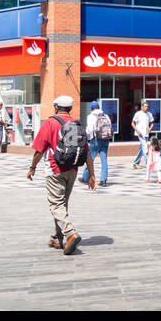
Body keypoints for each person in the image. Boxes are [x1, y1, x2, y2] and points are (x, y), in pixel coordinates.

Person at [27, 95, 96, 255]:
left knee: (56, 205)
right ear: (70, 109)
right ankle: (57, 238)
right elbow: (87, 152)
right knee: (62, 205)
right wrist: (91, 174)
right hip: (72, 169)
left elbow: (39, 149)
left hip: (54, 169)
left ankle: (71, 233)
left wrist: (32, 168)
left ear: (56, 107)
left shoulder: (50, 123)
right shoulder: (76, 124)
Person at [85, 100, 111, 186]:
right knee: (104, 159)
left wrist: (86, 132)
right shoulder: (106, 115)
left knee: (90, 158)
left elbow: (90, 129)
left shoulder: (91, 116)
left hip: (96, 139)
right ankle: (103, 180)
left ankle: (85, 177)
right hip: (106, 139)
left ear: (91, 108)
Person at [131, 100, 152, 169]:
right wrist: (137, 131)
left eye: (147, 106)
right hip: (140, 133)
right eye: (145, 106)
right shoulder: (138, 114)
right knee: (145, 148)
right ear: (142, 107)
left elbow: (152, 123)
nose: (147, 108)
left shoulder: (149, 114)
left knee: (142, 148)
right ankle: (148, 164)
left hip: (146, 134)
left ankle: (136, 163)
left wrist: (150, 128)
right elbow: (132, 123)